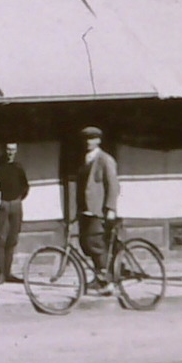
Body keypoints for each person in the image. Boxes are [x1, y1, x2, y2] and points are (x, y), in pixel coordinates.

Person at [71, 126, 119, 294]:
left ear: (98, 140)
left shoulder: (105, 160)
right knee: (87, 245)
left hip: (98, 211)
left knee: (96, 244)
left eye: (92, 138)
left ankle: (106, 282)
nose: (88, 142)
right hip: (85, 210)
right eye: (85, 139)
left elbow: (113, 185)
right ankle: (100, 277)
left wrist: (111, 208)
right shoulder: (84, 160)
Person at [0, 141, 30, 284]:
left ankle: (8, 273)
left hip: (16, 204)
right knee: (0, 239)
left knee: (12, 240)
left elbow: (25, 186)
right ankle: (0, 274)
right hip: (2, 205)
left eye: (13, 150)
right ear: (4, 150)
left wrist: (18, 199)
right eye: (8, 149)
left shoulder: (18, 167)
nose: (10, 152)